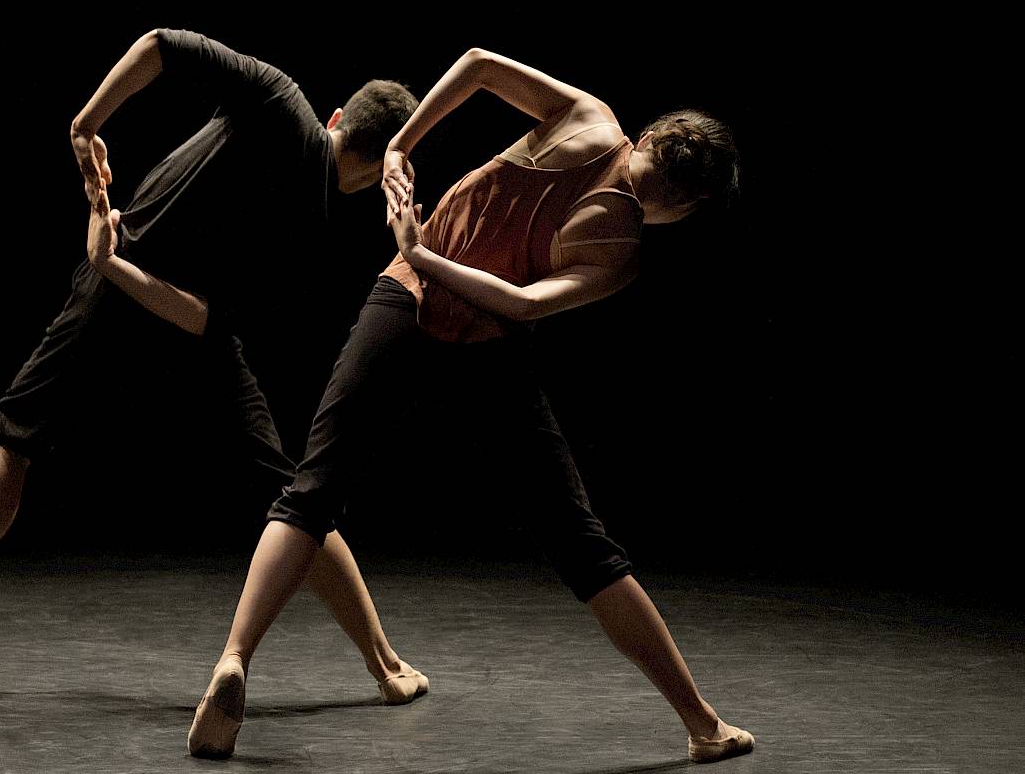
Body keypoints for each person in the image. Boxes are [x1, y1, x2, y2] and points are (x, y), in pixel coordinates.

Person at [186, 48, 753, 764]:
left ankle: (235, 657)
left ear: (648, 138)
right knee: (582, 544)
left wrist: (401, 149)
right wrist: (427, 256)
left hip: (405, 295)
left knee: (311, 490)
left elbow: (480, 63)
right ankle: (702, 724)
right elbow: (519, 301)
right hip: (483, 339)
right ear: (685, 202)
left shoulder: (588, 118)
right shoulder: (622, 251)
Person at [0, 29, 430, 711]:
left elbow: (161, 43)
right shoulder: (309, 231)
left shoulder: (280, 94)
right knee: (294, 501)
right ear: (378, 173)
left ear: (339, 117)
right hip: (186, 331)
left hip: (112, 285)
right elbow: (200, 319)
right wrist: (120, 269)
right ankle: (385, 664)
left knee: (13, 434)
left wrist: (86, 127)